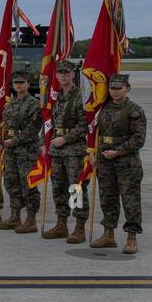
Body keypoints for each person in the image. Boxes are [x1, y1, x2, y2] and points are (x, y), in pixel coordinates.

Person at [91, 72, 146, 255]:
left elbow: (139, 139)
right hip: (105, 161)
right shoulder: (103, 108)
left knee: (130, 200)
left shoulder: (134, 110)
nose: (115, 91)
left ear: (127, 88)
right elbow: (96, 133)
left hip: (126, 163)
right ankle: (108, 234)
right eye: (112, 88)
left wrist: (118, 152)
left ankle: (131, 237)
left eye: (118, 88)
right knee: (107, 198)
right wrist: (94, 153)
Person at [41, 59, 90, 243]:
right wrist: (44, 142)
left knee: (75, 188)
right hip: (56, 150)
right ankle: (61, 224)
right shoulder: (55, 96)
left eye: (66, 72)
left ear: (72, 74)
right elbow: (48, 122)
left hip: (74, 151)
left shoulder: (80, 96)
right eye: (60, 73)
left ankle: (79, 227)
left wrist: (66, 139)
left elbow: (85, 125)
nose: (63, 76)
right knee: (58, 187)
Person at [0, 70, 41, 233]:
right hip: (10, 149)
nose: (19, 85)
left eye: (22, 82)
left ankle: (31, 219)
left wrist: (15, 140)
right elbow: (3, 125)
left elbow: (33, 128)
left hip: (26, 150)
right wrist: (0, 142)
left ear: (28, 84)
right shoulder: (10, 103)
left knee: (28, 183)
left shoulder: (34, 104)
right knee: (11, 182)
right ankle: (15, 216)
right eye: (16, 82)